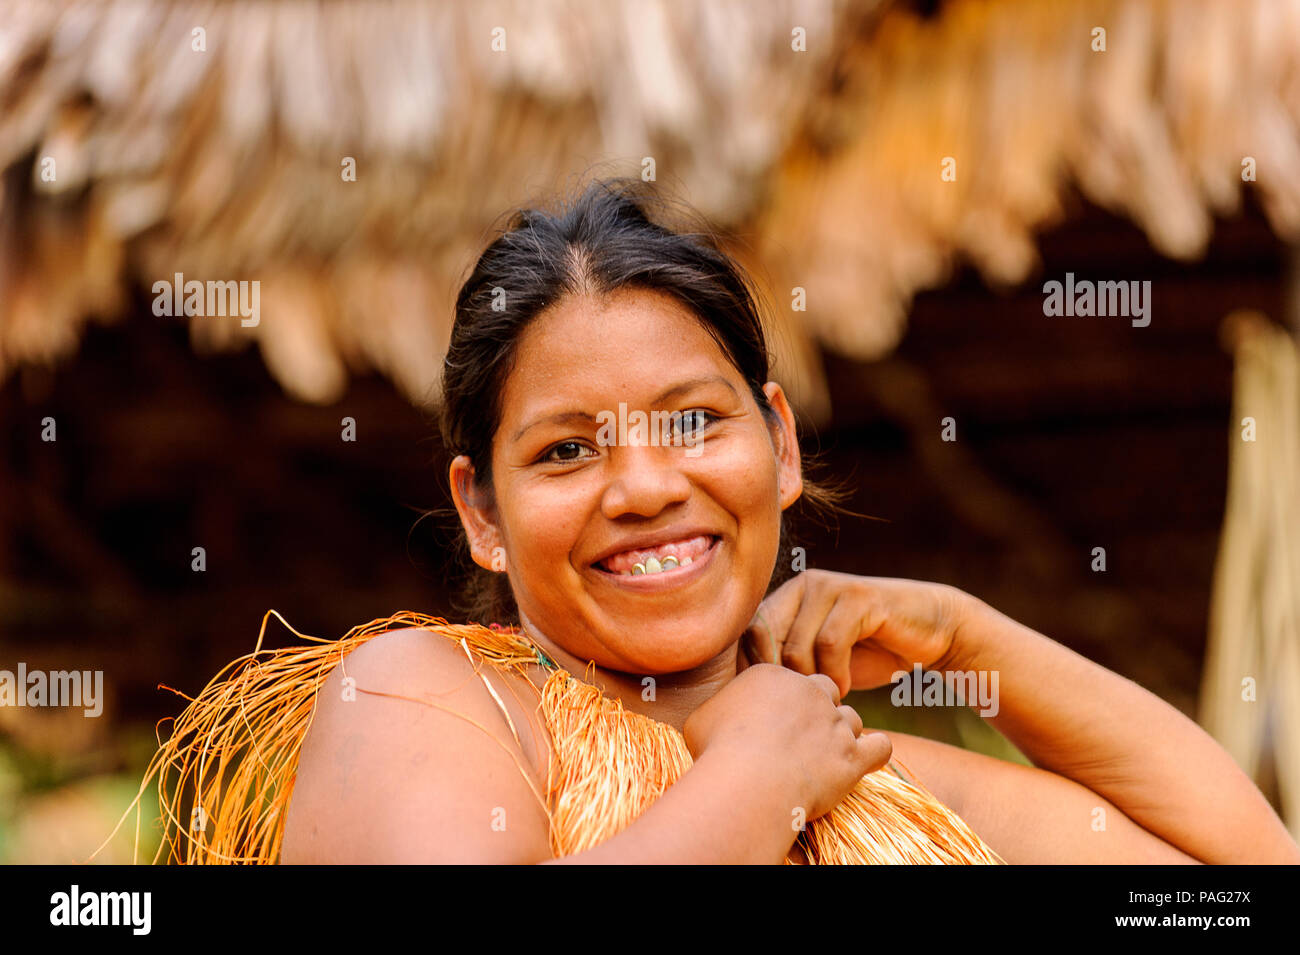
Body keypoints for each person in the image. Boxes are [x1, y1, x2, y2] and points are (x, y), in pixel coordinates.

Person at [123, 178, 1300, 865]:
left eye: (692, 421)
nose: (642, 486)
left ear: (778, 443)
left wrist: (967, 636)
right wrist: (751, 784)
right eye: (567, 448)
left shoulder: (867, 779)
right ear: (482, 510)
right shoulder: (426, 699)